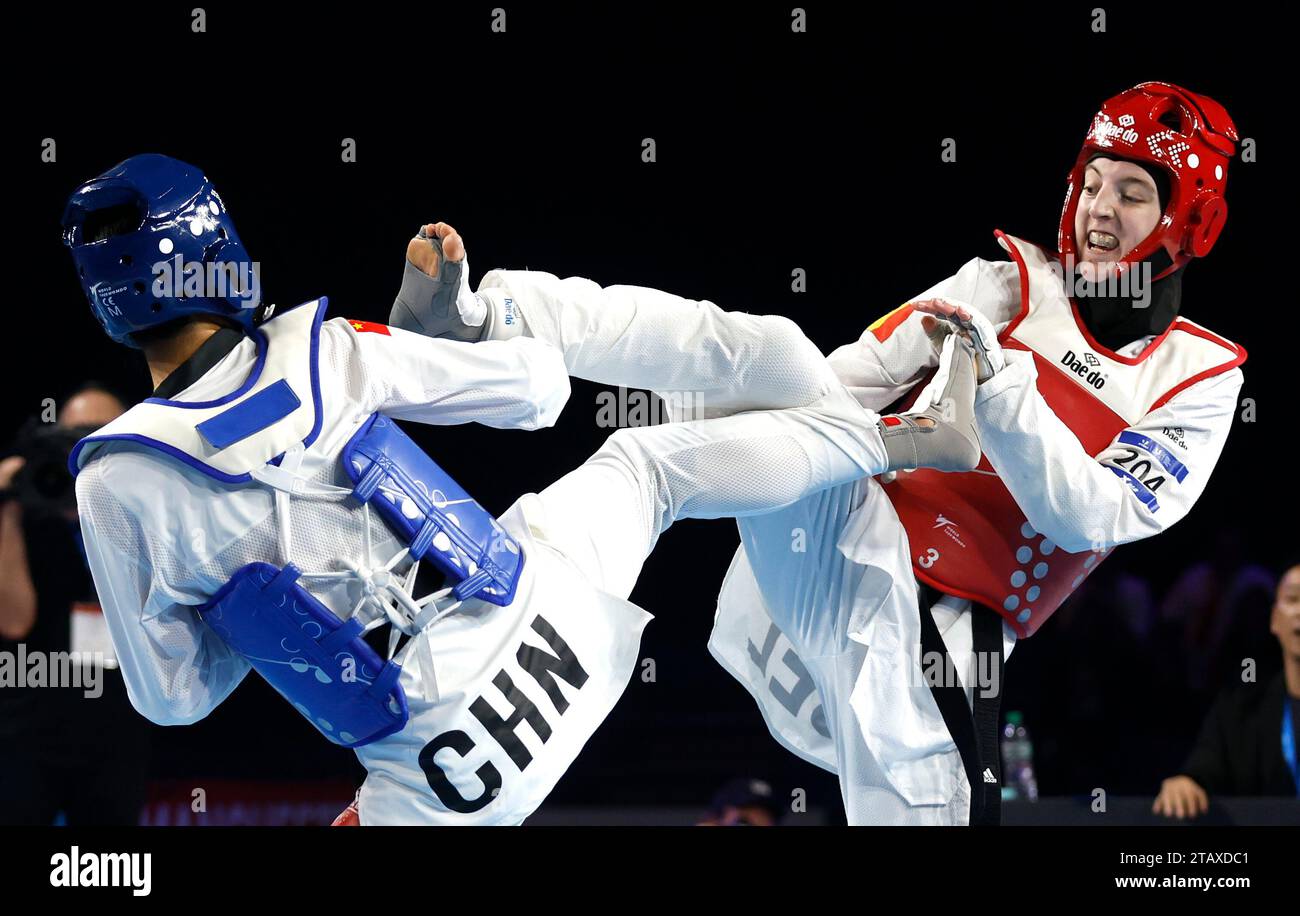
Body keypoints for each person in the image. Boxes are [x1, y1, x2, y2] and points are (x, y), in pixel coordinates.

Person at [63, 154, 981, 825]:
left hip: (439, 780)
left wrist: (249, 603)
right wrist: (450, 331)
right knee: (648, 465)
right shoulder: (330, 349)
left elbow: (171, 699)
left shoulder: (117, 477)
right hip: (549, 627)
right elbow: (540, 391)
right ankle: (889, 439)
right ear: (219, 249)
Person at [697, 81, 1247, 825]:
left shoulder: (1200, 382)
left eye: (1133, 191)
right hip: (850, 536)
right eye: (1090, 183)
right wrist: (730, 415)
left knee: (955, 811)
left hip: (959, 630)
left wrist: (1001, 380)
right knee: (763, 366)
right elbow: (840, 382)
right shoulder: (998, 286)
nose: (1100, 210)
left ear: (1193, 221)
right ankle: (508, 328)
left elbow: (1087, 514)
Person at [0, 384, 153, 825]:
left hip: (118, 731)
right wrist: (8, 504)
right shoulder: (27, 512)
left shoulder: (147, 513)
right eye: (75, 436)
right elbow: (12, 622)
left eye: (101, 435)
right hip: (27, 728)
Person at [1153, 562, 1300, 818]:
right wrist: (1185, 784)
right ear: (1275, 620)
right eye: (1293, 599)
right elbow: (1203, 770)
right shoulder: (1240, 709)